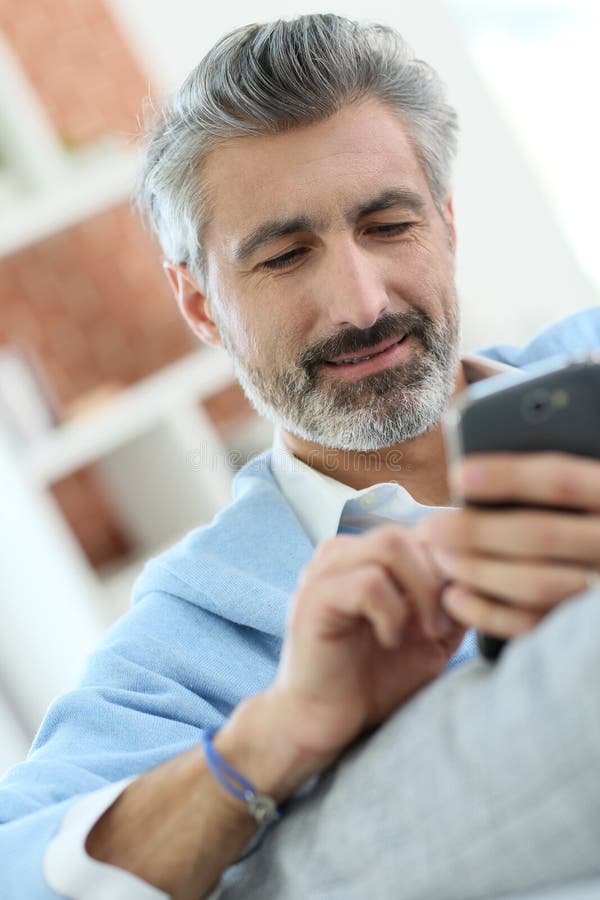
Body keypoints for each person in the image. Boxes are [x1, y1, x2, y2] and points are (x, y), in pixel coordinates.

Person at [1, 13, 600, 900]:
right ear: (200, 304)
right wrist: (271, 740)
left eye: (389, 226)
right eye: (284, 257)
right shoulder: (198, 632)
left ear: (446, 224)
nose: (359, 304)